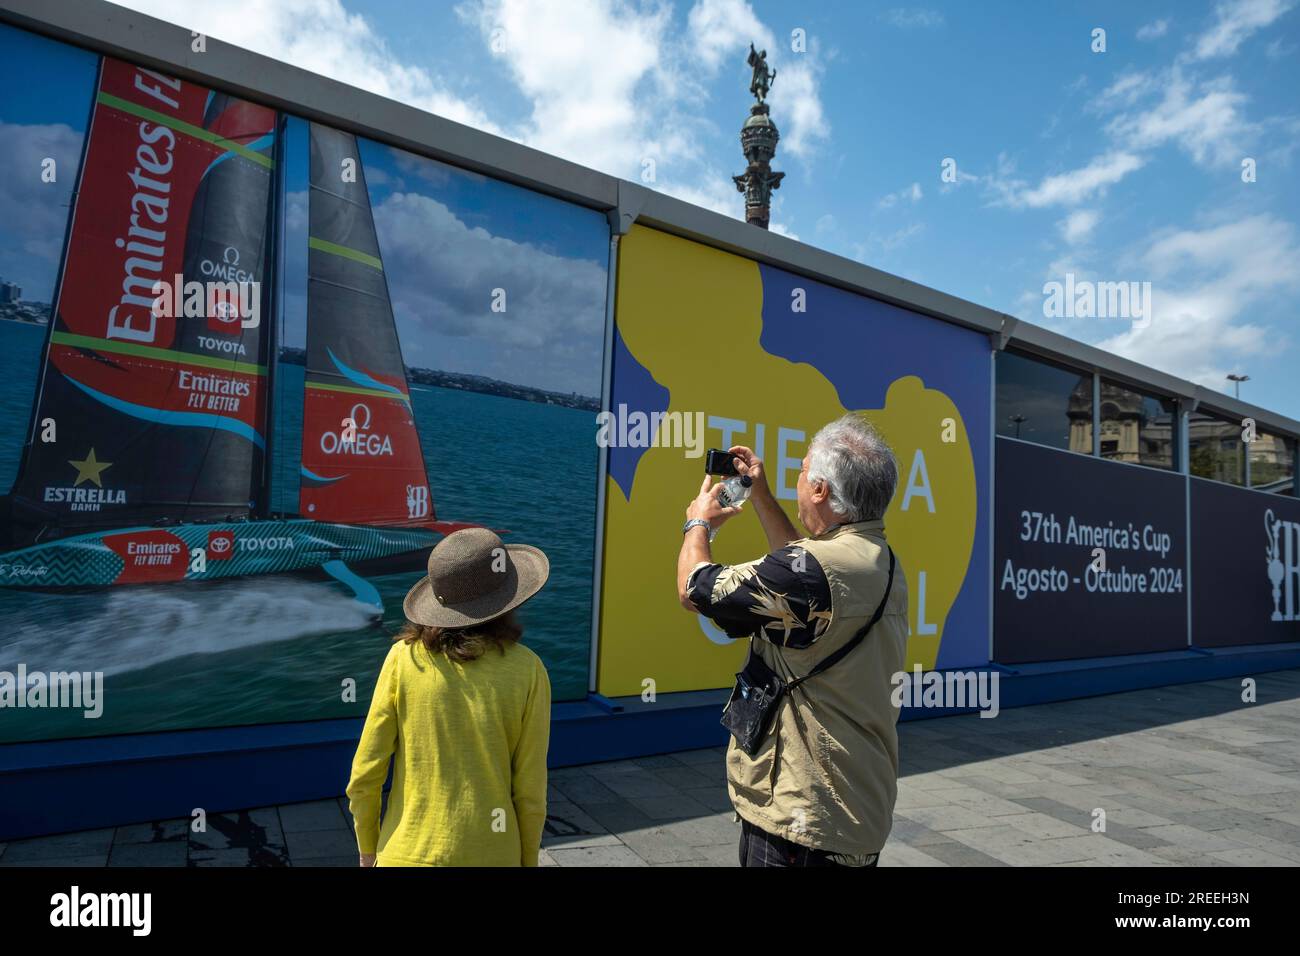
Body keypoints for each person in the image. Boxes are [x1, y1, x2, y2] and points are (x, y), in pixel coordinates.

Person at [676, 413, 909, 867]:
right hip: (854, 806)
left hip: (801, 817)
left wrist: (697, 524)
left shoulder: (815, 573)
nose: (798, 479)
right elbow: (802, 568)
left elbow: (695, 589)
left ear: (820, 489)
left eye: (802, 471)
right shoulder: (874, 559)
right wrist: (759, 493)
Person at [346, 527, 552, 866]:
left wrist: (368, 849)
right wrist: (526, 859)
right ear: (508, 599)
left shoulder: (402, 659)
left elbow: (364, 776)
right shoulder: (528, 670)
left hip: (405, 853)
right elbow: (530, 792)